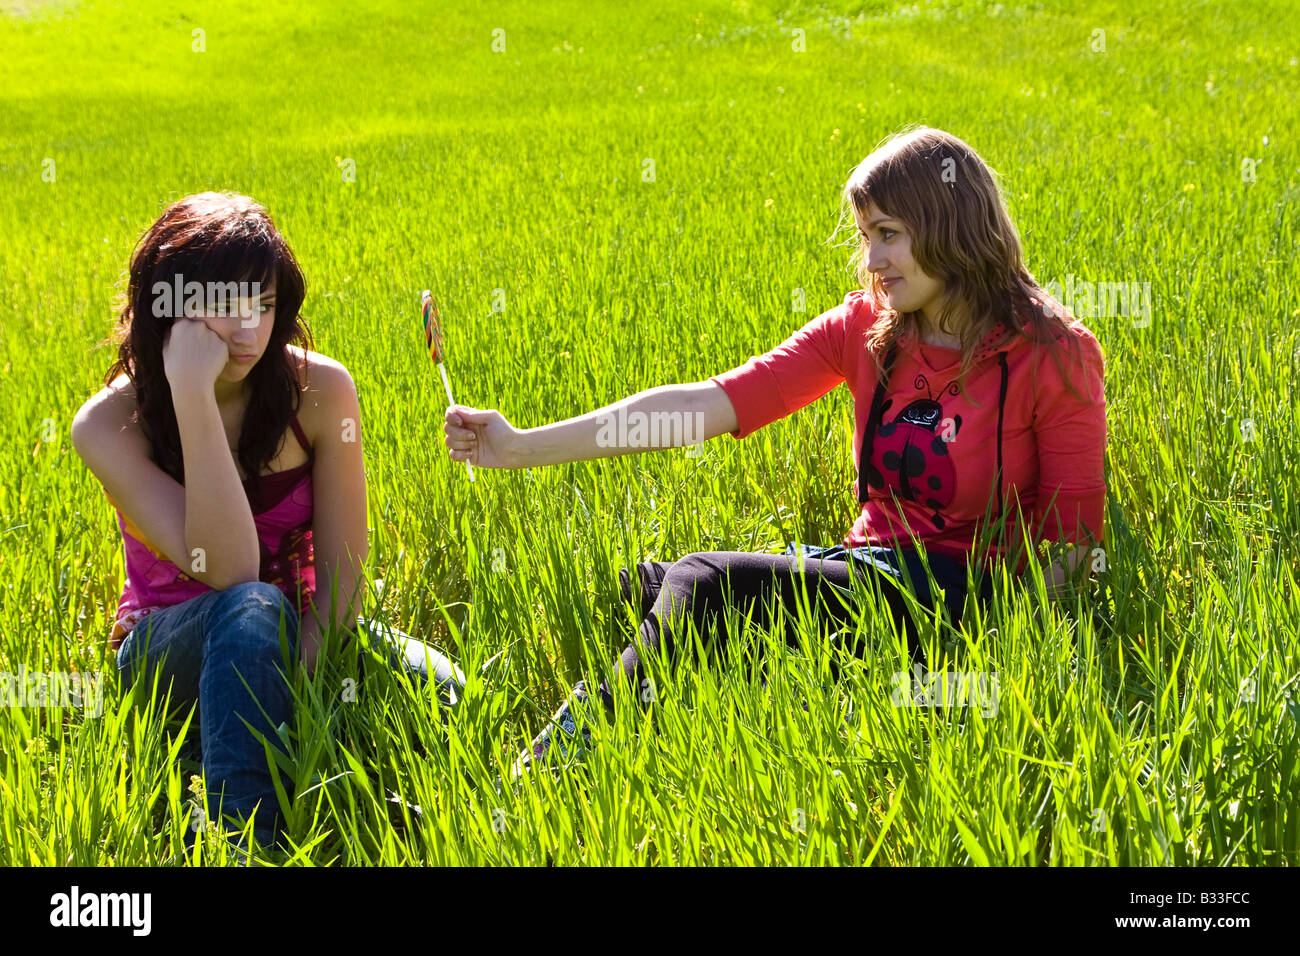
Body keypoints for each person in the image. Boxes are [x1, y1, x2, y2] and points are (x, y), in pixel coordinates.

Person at [442, 126, 1107, 777]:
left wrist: (992, 675)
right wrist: (521, 447)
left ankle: (548, 770)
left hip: (964, 596)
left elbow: (1070, 548)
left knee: (705, 585)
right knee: (643, 589)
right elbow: (702, 406)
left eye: (888, 235)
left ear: (947, 226)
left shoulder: (1053, 354)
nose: (871, 259)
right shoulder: (868, 327)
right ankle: (744, 720)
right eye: (866, 236)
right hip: (866, 572)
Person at [72, 192, 464, 850]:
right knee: (251, 608)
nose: (250, 331)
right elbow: (230, 572)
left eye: (265, 302)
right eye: (224, 308)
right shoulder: (109, 425)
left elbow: (342, 582)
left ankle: (254, 740)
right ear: (168, 308)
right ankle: (247, 842)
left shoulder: (322, 393)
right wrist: (192, 391)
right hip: (167, 657)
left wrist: (295, 688)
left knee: (445, 691)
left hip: (298, 635)